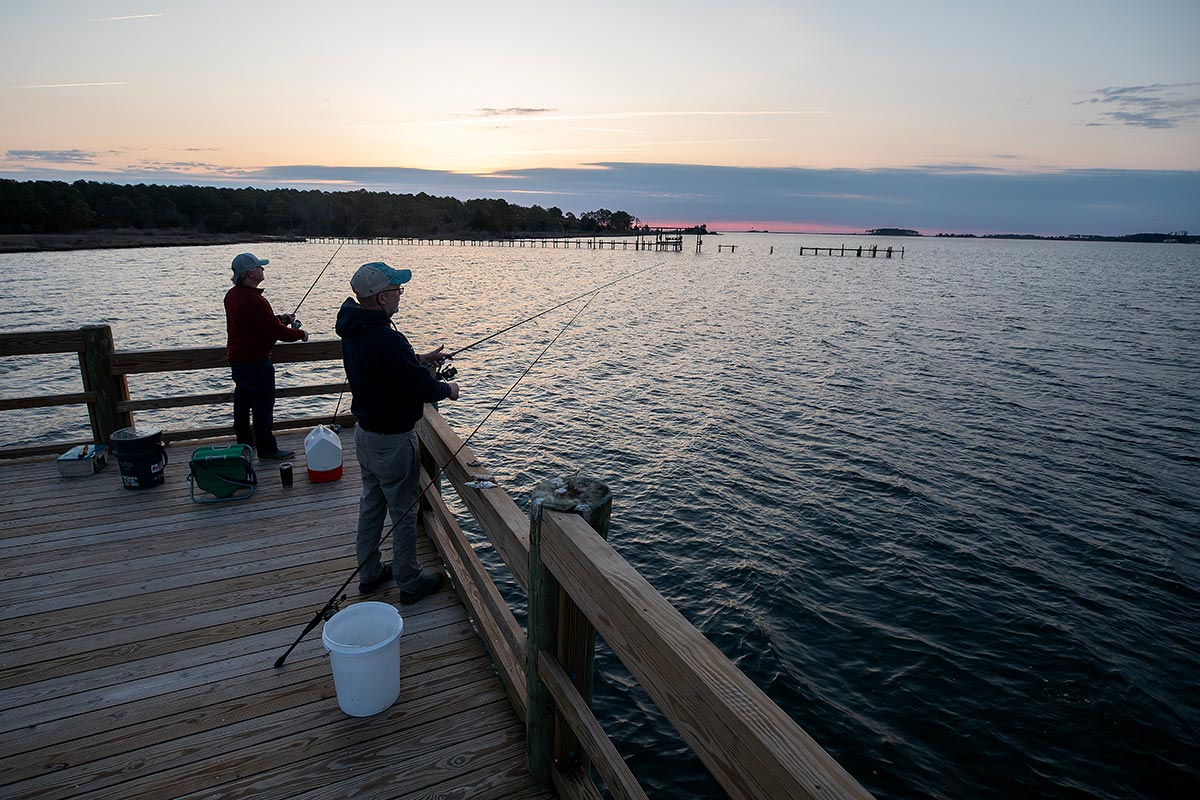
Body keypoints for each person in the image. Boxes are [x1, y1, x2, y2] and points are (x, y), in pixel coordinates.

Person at [336, 261, 460, 603]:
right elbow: (419, 387)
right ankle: (409, 581)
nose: (399, 296)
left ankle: (370, 573)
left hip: (365, 435)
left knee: (371, 506)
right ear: (380, 299)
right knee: (404, 512)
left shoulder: (354, 328)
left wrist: (418, 358)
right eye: (396, 291)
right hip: (392, 441)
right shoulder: (386, 338)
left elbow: (389, 369)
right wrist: (448, 390)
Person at [224, 252, 308, 460]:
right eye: (260, 267)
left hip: (238, 360)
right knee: (262, 406)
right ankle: (267, 448)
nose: (263, 270)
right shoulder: (254, 300)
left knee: (243, 403)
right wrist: (301, 334)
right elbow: (277, 332)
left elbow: (259, 323)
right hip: (256, 362)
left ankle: (244, 442)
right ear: (250, 273)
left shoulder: (232, 295)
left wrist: (282, 318)